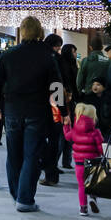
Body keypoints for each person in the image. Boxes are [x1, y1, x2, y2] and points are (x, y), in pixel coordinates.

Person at [0, 16, 64, 212]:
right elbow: (56, 85)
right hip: (37, 112)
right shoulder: (48, 55)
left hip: (13, 110)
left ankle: (17, 195)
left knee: (13, 154)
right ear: (40, 32)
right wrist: (62, 111)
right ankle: (25, 198)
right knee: (32, 154)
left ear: (22, 31)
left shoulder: (9, 54)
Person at [62, 101, 105, 218]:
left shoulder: (74, 131)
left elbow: (67, 137)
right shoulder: (96, 133)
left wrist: (66, 126)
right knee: (93, 184)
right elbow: (101, 149)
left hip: (79, 164)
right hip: (93, 163)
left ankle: (83, 208)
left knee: (81, 185)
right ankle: (93, 198)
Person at [39, 33, 66, 187]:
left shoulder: (48, 58)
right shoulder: (56, 59)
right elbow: (58, 85)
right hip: (55, 106)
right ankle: (51, 172)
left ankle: (49, 171)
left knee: (45, 141)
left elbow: (57, 86)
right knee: (53, 141)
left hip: (47, 106)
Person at [58, 43, 79, 168]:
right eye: (74, 52)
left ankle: (66, 161)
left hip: (71, 102)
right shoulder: (63, 65)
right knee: (63, 131)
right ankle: (59, 161)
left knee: (69, 130)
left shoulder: (71, 65)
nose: (75, 54)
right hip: (65, 102)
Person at [76, 32, 110, 97]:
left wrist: (80, 92)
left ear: (90, 47)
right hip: (104, 94)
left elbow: (79, 80)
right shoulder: (108, 61)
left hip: (89, 93)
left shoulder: (85, 61)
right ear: (102, 47)